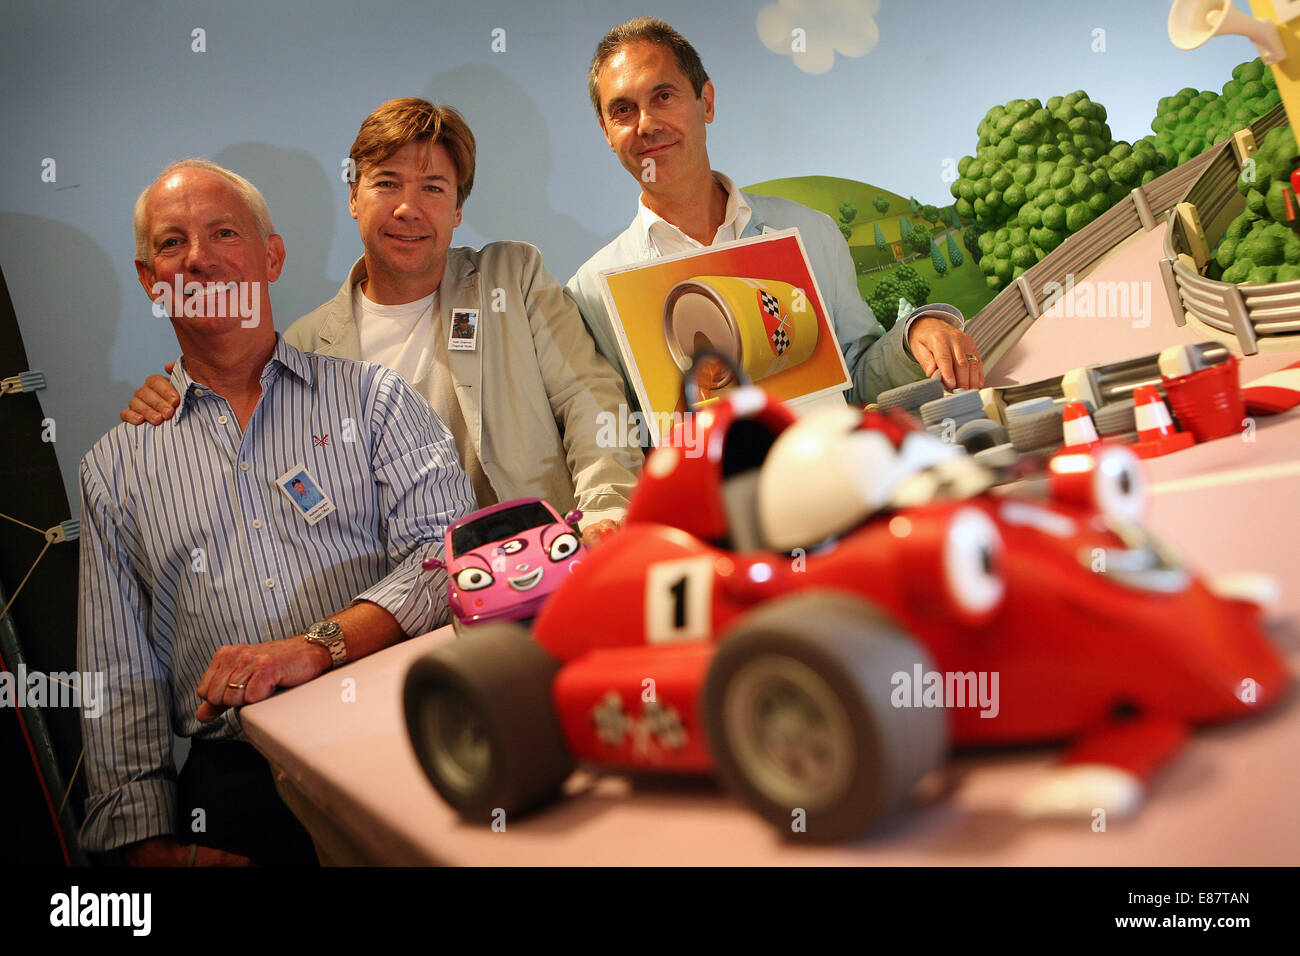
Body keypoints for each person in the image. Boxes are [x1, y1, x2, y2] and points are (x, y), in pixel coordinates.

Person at [79, 160, 476, 866]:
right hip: (236, 796)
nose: (198, 258)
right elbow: (117, 675)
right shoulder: (114, 467)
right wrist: (147, 846)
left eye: (222, 232)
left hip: (404, 738)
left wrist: (314, 646)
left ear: (271, 255)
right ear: (149, 279)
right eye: (172, 244)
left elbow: (445, 558)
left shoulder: (375, 401)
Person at [123, 98, 641, 547]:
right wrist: (175, 391)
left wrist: (605, 516)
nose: (407, 209)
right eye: (386, 183)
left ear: (458, 209)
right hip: (400, 607)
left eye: (434, 188)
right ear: (353, 197)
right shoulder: (306, 345)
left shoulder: (511, 277)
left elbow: (589, 399)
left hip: (545, 559)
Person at [566, 17, 986, 407]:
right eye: (623, 109)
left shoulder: (811, 232)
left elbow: (855, 380)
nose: (646, 124)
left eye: (664, 96)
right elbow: (622, 440)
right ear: (607, 132)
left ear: (706, 103)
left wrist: (914, 336)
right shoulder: (587, 294)